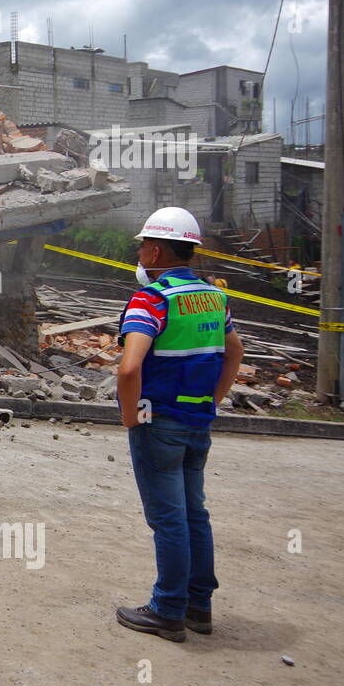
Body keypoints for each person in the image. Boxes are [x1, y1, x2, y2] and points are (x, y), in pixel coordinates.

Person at [115, 207, 245, 642]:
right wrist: (213, 399)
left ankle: (167, 609)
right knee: (194, 514)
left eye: (141, 247)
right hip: (198, 421)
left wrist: (131, 417)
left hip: (159, 422)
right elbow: (235, 353)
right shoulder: (214, 297)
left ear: (154, 250)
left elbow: (129, 368)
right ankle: (198, 606)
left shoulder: (153, 299)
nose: (139, 254)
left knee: (168, 519)